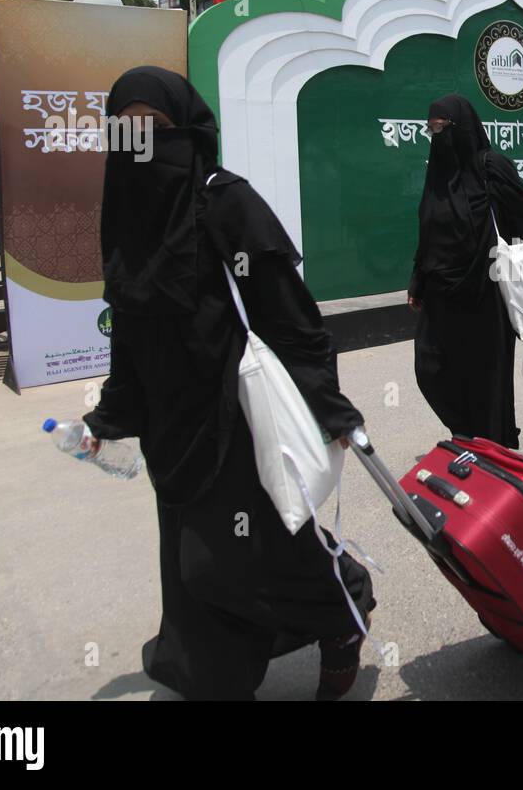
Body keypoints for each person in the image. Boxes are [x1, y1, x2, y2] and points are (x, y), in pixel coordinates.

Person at [83, 67, 375, 701]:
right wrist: (107, 418)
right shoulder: (127, 216)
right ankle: (215, 678)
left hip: (235, 421)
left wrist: (330, 407)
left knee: (223, 562)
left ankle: (344, 601)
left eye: (153, 129)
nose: (139, 143)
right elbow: (128, 333)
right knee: (198, 576)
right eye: (125, 129)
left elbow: (293, 321)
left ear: (187, 131)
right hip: (172, 431)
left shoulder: (225, 203)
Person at [409, 94, 523, 448]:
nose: (437, 137)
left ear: (460, 128)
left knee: (485, 382)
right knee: (430, 370)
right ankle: (469, 434)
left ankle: (488, 447)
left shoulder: (491, 166)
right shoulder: (438, 173)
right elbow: (429, 231)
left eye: (441, 128)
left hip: (485, 293)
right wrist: (417, 279)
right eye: (431, 130)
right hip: (441, 292)